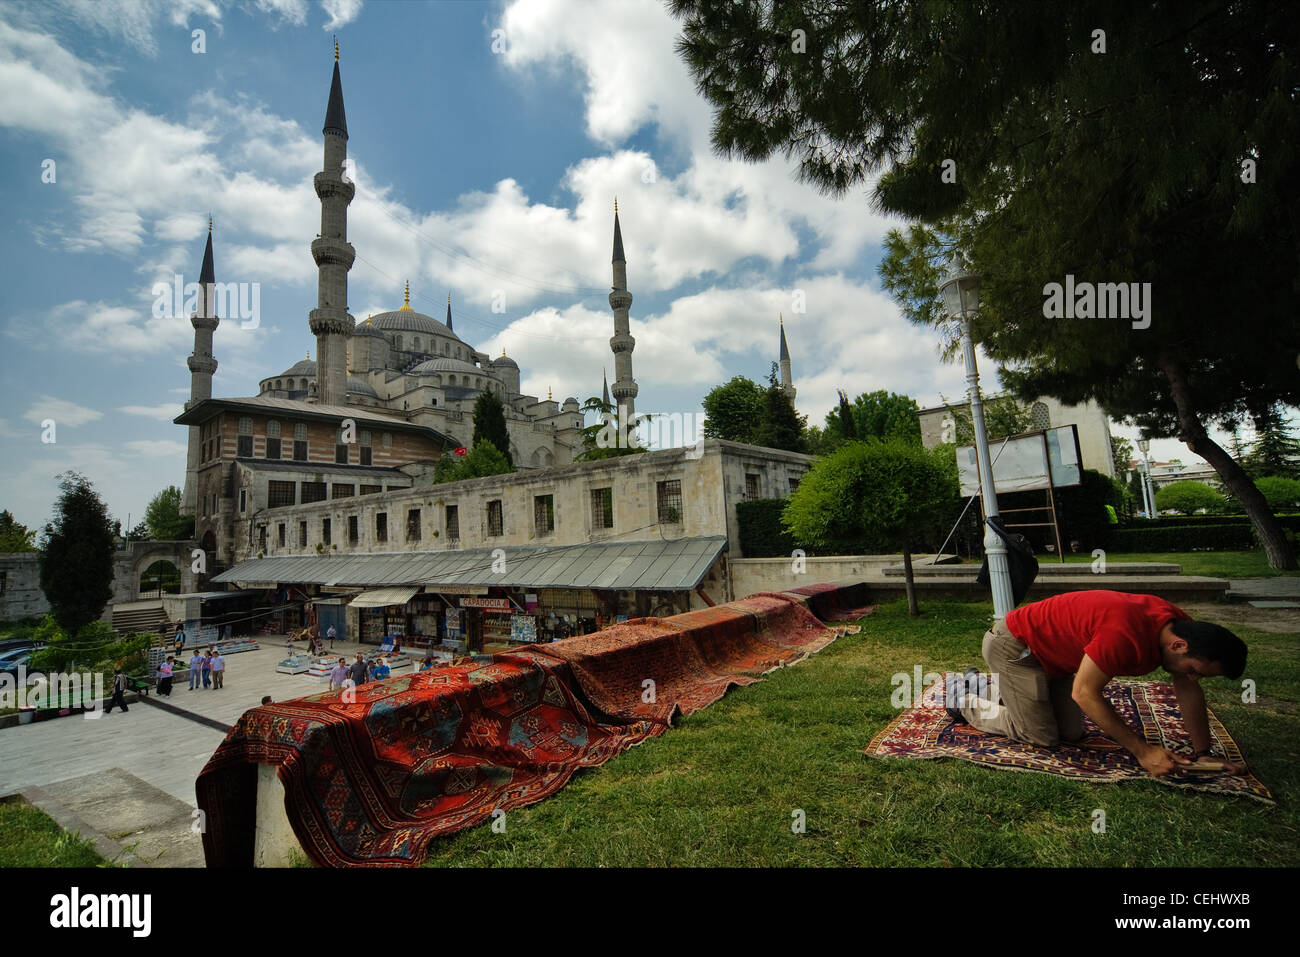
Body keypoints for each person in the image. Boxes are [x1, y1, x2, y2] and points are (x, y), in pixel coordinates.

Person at [949, 590, 1248, 777]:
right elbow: (1084, 693)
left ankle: (982, 684)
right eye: (1194, 670)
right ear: (1179, 646)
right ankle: (962, 700)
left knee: (1070, 732)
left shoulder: (1178, 626)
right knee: (1039, 734)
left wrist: (1202, 752)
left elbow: (1188, 688)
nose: (1193, 678)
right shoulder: (1124, 633)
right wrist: (1143, 752)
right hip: (1015, 649)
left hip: (1055, 660)